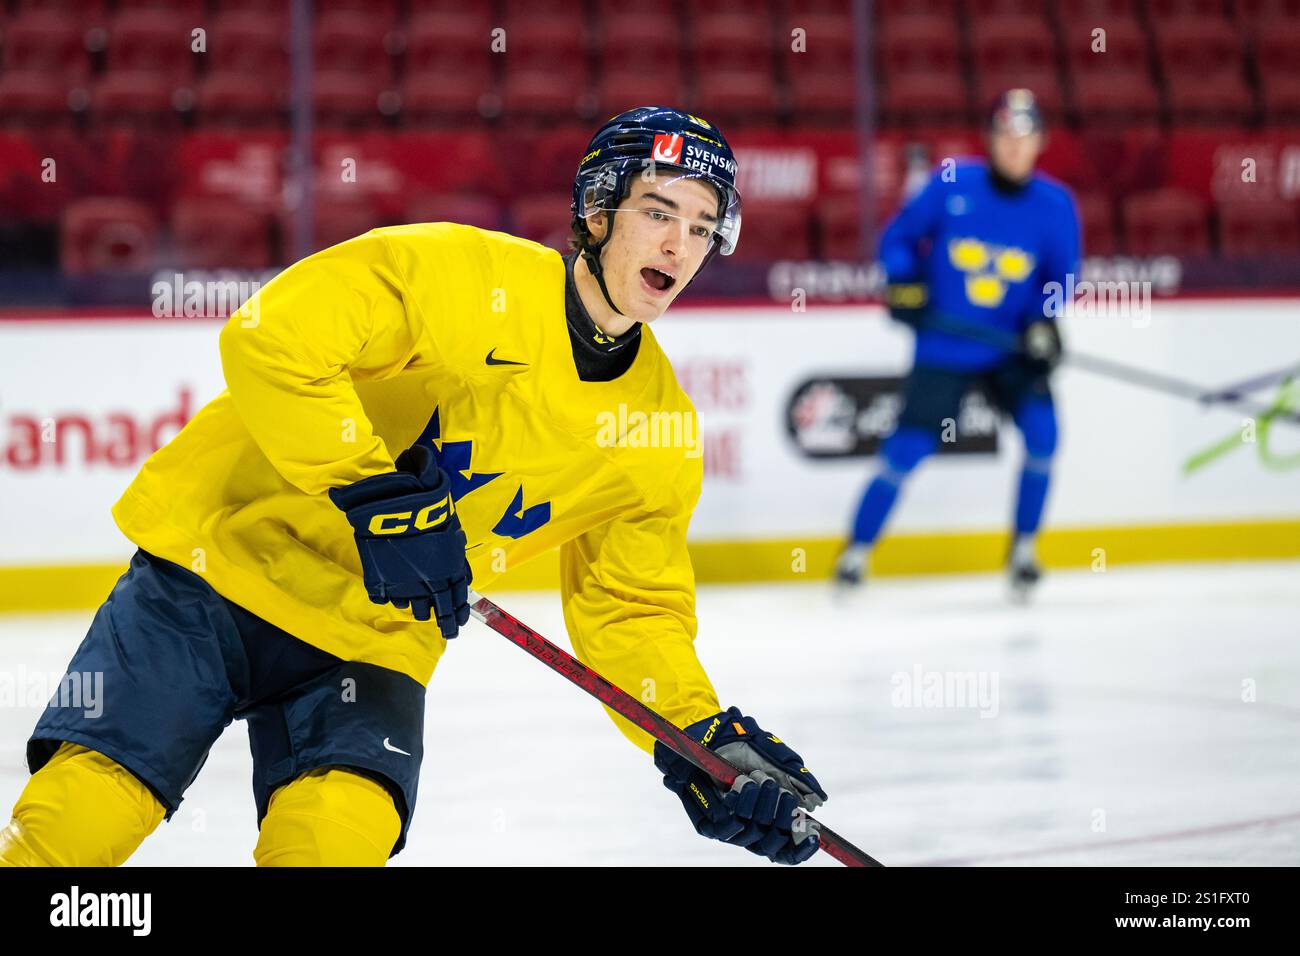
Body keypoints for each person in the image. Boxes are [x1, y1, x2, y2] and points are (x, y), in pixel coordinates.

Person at [0, 107, 827, 867]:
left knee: (334, 843)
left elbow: (630, 611)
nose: (679, 247)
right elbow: (272, 337)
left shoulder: (658, 435)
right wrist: (372, 492)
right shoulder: (464, 275)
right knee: (81, 826)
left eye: (702, 226)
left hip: (374, 639)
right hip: (216, 568)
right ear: (598, 213)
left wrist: (696, 739)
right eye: (658, 212)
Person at [835, 89, 1081, 599]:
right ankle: (855, 555)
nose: (1015, 147)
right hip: (944, 345)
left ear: (1040, 142)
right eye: (1005, 136)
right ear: (990, 140)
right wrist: (905, 282)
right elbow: (897, 238)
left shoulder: (1056, 205)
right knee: (907, 449)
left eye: (1025, 137)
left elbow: (1061, 279)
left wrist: (1043, 323)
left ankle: (1024, 552)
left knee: (1044, 435)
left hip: (1009, 347)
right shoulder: (952, 182)